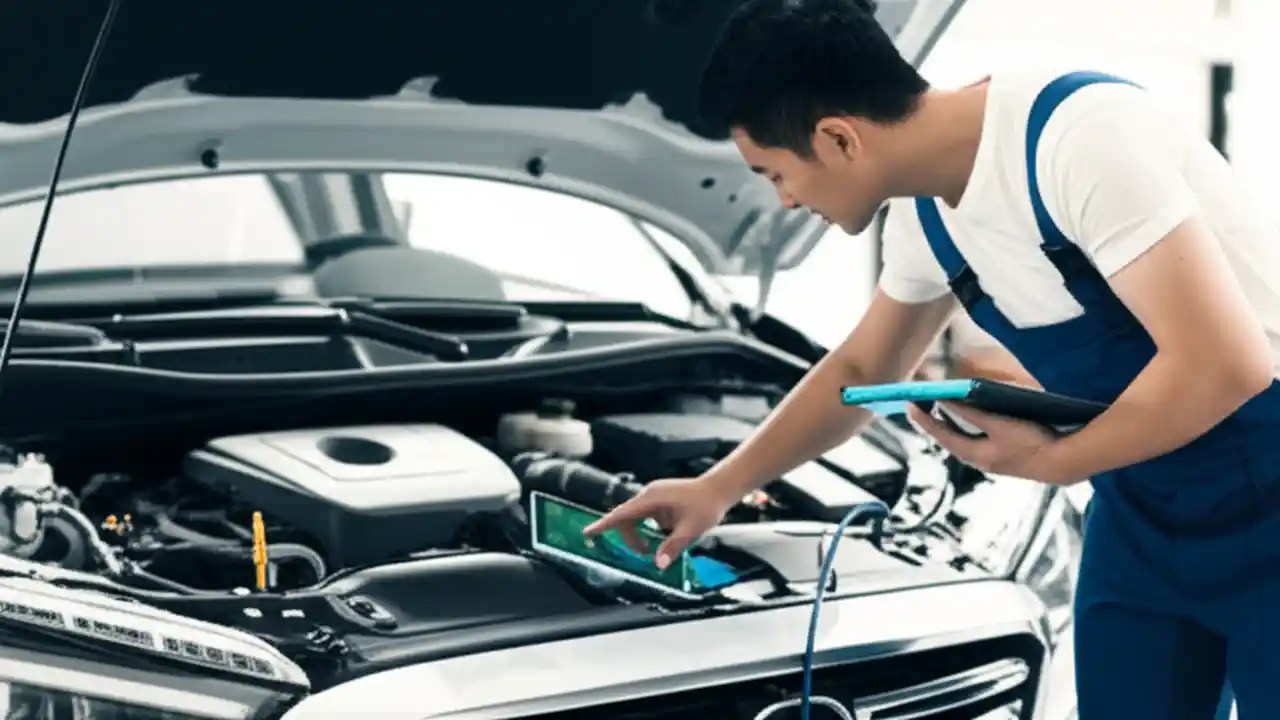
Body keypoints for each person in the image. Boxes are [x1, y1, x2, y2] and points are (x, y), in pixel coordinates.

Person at [581, 0, 1280, 716]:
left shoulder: (1080, 138)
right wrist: (719, 487)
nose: (784, 203)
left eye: (773, 173)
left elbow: (1226, 367)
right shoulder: (926, 213)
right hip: (1139, 511)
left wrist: (1046, 462)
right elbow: (860, 371)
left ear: (838, 139)